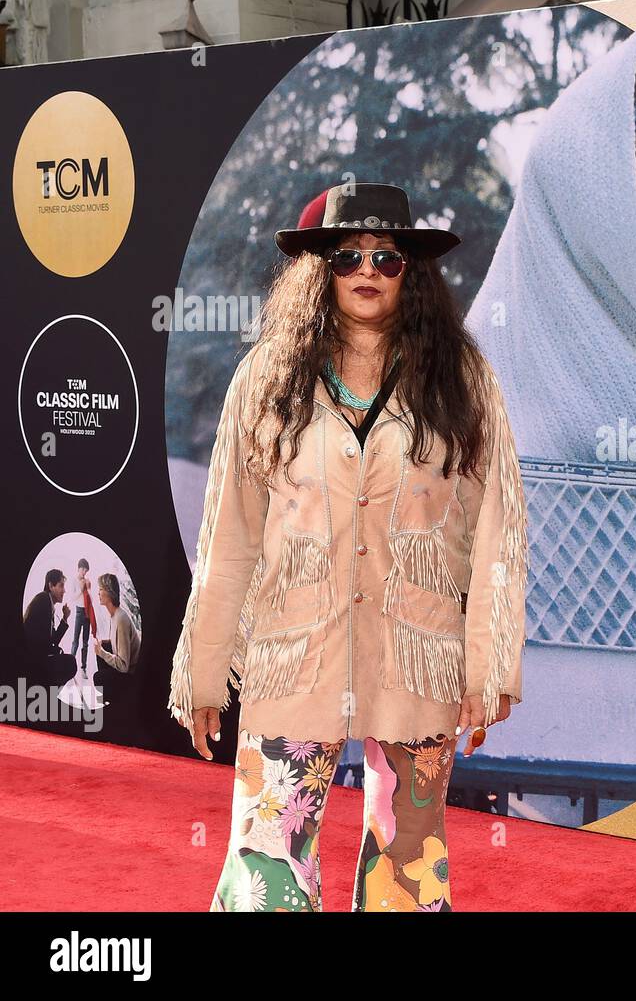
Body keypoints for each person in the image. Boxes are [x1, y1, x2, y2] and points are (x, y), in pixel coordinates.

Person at [166, 181, 530, 912]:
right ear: (320, 270)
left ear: (413, 274)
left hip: (417, 656)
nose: (367, 271)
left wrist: (490, 667)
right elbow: (230, 536)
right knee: (269, 858)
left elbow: (499, 527)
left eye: (388, 259)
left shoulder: (463, 381)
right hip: (293, 656)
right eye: (348, 256)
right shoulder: (267, 380)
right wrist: (206, 675)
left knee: (409, 861)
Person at [92, 572, 141, 705]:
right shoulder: (114, 615)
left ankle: (115, 696)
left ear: (109, 592)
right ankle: (108, 692)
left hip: (130, 674)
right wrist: (105, 644)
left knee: (98, 678)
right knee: (102, 646)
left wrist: (101, 652)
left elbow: (124, 666)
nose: (98, 593)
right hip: (126, 667)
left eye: (101, 589)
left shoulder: (120, 619)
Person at [71, 558, 98, 674]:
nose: (85, 572)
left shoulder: (87, 580)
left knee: (85, 641)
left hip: (87, 612)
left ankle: (83, 667)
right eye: (83, 570)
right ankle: (70, 664)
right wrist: (81, 589)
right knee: (75, 640)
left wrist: (89, 588)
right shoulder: (74, 581)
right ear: (79, 568)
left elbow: (91, 599)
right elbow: (73, 598)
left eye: (86, 571)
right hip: (78, 611)